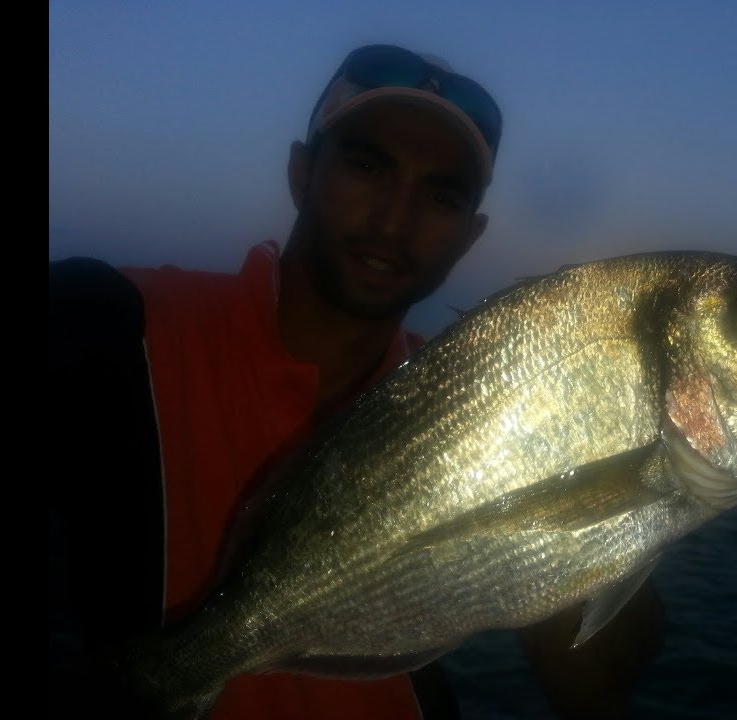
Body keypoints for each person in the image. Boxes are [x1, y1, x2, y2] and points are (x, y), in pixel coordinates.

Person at [48, 43, 664, 720]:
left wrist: (643, 488)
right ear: (301, 173)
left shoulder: (497, 406)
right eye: (369, 166)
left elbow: (594, 694)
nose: (396, 219)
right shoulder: (112, 320)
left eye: (442, 194)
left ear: (471, 234)